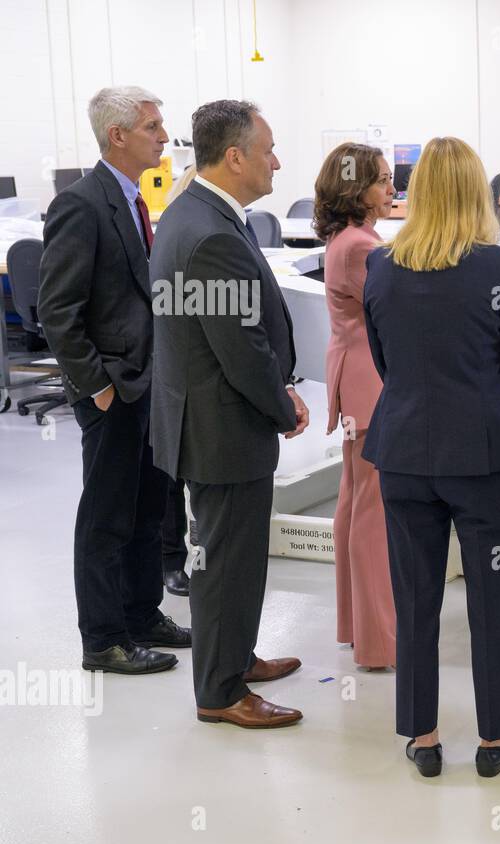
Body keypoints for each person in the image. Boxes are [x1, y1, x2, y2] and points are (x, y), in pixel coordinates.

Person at [362, 136, 500, 780]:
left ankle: (424, 734)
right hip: (485, 457)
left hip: (405, 453)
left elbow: (385, 363)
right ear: (475, 193)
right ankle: (494, 739)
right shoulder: (498, 268)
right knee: (492, 598)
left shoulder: (381, 267)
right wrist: (497, 415)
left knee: (415, 597)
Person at [150, 100, 308, 729]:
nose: (277, 160)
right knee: (223, 558)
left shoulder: (198, 213)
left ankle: (234, 658)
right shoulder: (211, 231)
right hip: (221, 425)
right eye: (268, 149)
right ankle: (220, 691)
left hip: (206, 417)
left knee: (230, 554)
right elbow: (239, 348)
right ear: (235, 156)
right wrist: (282, 402)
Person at [38, 85, 191, 676]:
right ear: (118, 135)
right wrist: (95, 387)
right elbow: (58, 310)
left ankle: (141, 613)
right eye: (153, 126)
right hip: (113, 389)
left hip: (147, 383)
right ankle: (103, 639)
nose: (162, 135)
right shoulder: (82, 204)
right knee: (106, 516)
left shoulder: (133, 198)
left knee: (147, 507)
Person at [313, 143, 398, 671]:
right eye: (383, 181)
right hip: (371, 384)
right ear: (355, 188)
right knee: (374, 510)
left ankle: (356, 626)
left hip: (355, 382)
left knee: (354, 500)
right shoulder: (362, 247)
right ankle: (380, 641)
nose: (392, 190)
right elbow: (397, 311)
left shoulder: (348, 240)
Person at [161, 165, 198, 599]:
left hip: (185, 376)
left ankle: (188, 556)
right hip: (164, 376)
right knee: (168, 481)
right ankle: (172, 560)